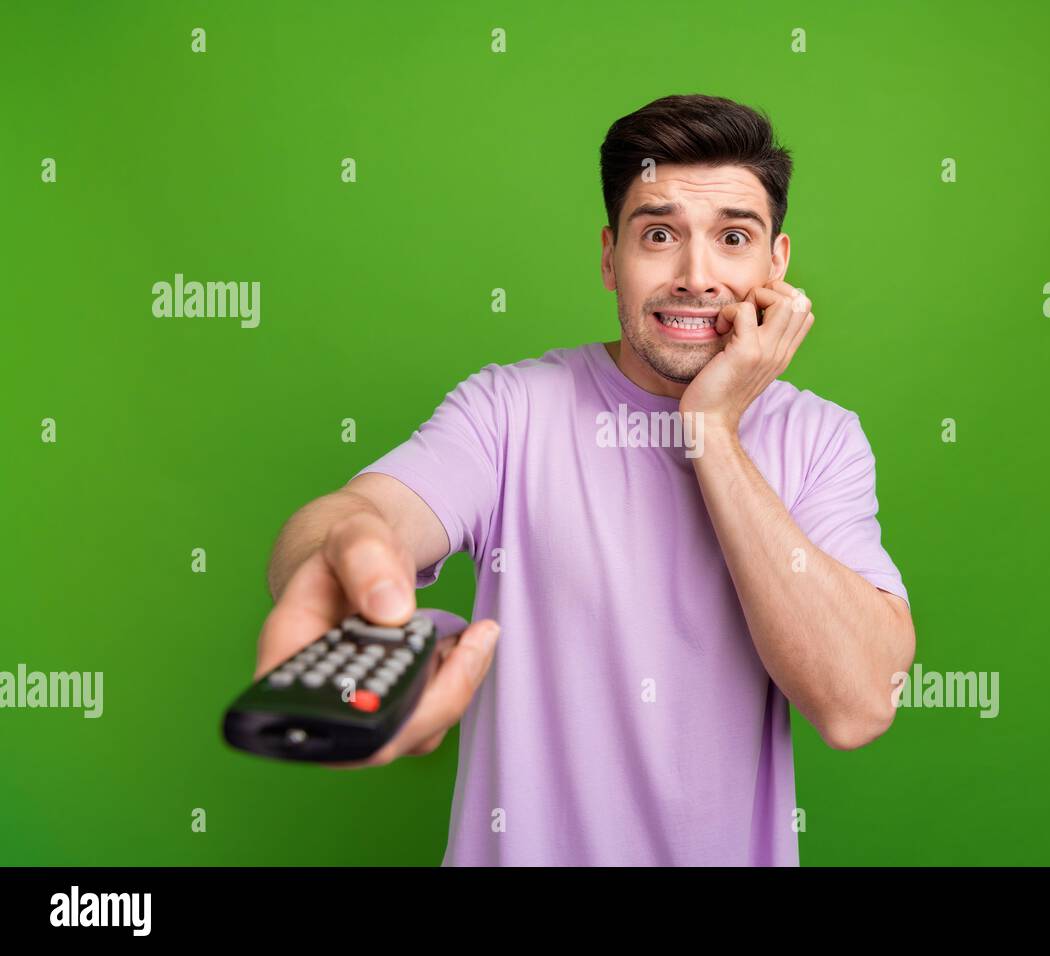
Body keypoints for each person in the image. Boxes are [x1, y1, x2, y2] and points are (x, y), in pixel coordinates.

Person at [255, 93, 915, 865]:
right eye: (659, 234)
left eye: (733, 238)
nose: (697, 277)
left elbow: (858, 704)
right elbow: (356, 516)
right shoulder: (509, 409)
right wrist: (336, 565)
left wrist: (711, 429)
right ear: (610, 257)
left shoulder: (821, 438)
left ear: (777, 265)